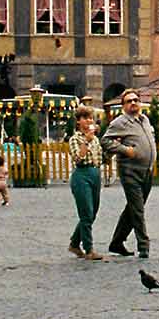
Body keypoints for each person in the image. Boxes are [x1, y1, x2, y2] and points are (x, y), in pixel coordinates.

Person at [102, 90, 157, 260]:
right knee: (138, 210)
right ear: (123, 106)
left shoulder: (145, 120)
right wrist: (125, 150)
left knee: (133, 208)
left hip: (146, 171)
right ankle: (144, 246)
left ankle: (117, 242)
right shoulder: (120, 123)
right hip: (130, 171)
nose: (133, 103)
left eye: (136, 100)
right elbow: (105, 141)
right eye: (129, 101)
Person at [66, 105, 103, 257]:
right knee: (86, 212)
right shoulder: (75, 139)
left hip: (95, 173)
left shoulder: (95, 139)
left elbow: (100, 157)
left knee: (92, 212)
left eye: (91, 118)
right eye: (86, 118)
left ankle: (74, 244)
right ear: (78, 122)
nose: (89, 121)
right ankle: (89, 249)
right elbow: (78, 158)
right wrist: (86, 141)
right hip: (81, 175)